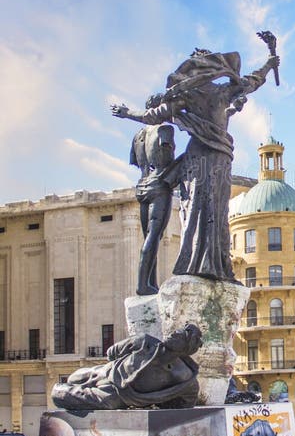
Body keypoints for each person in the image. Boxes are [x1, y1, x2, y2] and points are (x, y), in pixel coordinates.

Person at [112, 48, 279, 282]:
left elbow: (153, 116)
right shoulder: (224, 90)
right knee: (211, 209)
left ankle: (208, 264)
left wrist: (127, 113)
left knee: (203, 209)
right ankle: (210, 265)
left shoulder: (189, 95)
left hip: (204, 156)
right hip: (215, 157)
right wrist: (269, 64)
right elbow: (254, 81)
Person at [51, 324, 202, 411]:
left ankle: (58, 390)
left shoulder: (185, 379)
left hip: (120, 398)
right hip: (107, 373)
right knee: (74, 378)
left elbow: (184, 405)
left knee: (62, 396)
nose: (173, 334)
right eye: (176, 332)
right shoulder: (145, 342)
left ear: (185, 349)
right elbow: (112, 352)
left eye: (180, 336)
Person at [130, 120, 178, 295]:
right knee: (153, 236)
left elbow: (136, 162)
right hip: (158, 186)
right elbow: (167, 157)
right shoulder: (165, 129)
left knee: (148, 237)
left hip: (141, 186)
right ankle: (143, 284)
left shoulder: (138, 136)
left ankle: (150, 282)